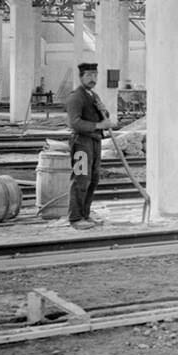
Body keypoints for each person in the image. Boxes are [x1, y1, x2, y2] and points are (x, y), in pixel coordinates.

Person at [65, 62, 116, 230]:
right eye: (88, 75)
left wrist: (105, 111)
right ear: (81, 77)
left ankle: (85, 215)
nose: (92, 79)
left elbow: (102, 117)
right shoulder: (76, 97)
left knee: (93, 180)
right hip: (81, 142)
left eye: (95, 75)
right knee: (81, 179)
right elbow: (75, 122)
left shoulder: (94, 96)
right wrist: (99, 126)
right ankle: (75, 218)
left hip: (94, 141)